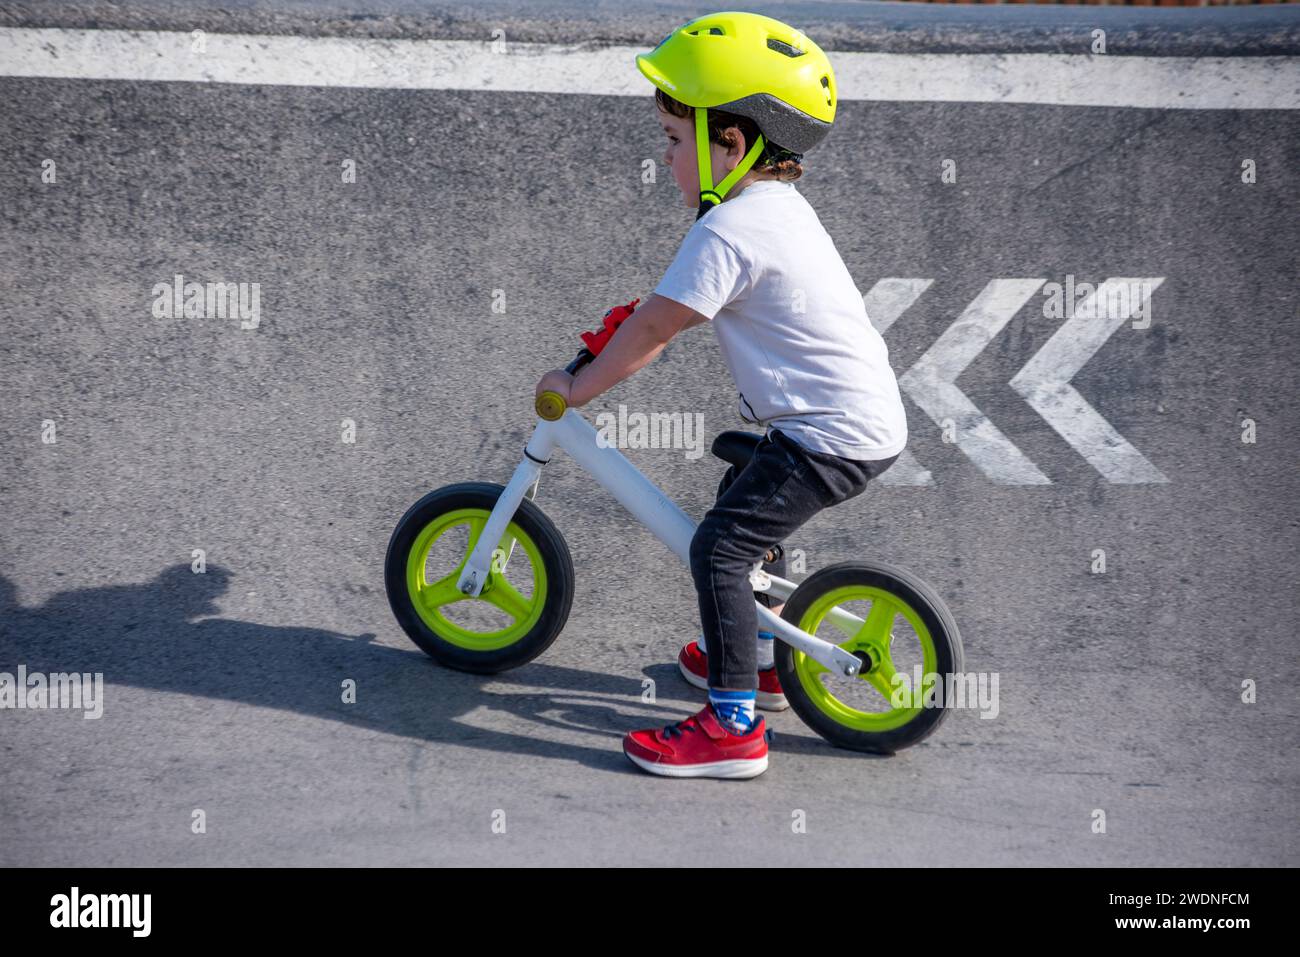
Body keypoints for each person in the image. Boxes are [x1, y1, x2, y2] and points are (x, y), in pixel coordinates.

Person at [533, 12, 907, 778]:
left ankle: (734, 726)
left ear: (731, 144)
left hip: (829, 434)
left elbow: (653, 336)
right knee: (743, 483)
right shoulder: (769, 211)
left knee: (720, 546)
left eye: (675, 140)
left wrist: (576, 386)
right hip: (850, 418)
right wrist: (638, 316)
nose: (665, 156)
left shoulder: (729, 230)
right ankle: (761, 655)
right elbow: (672, 307)